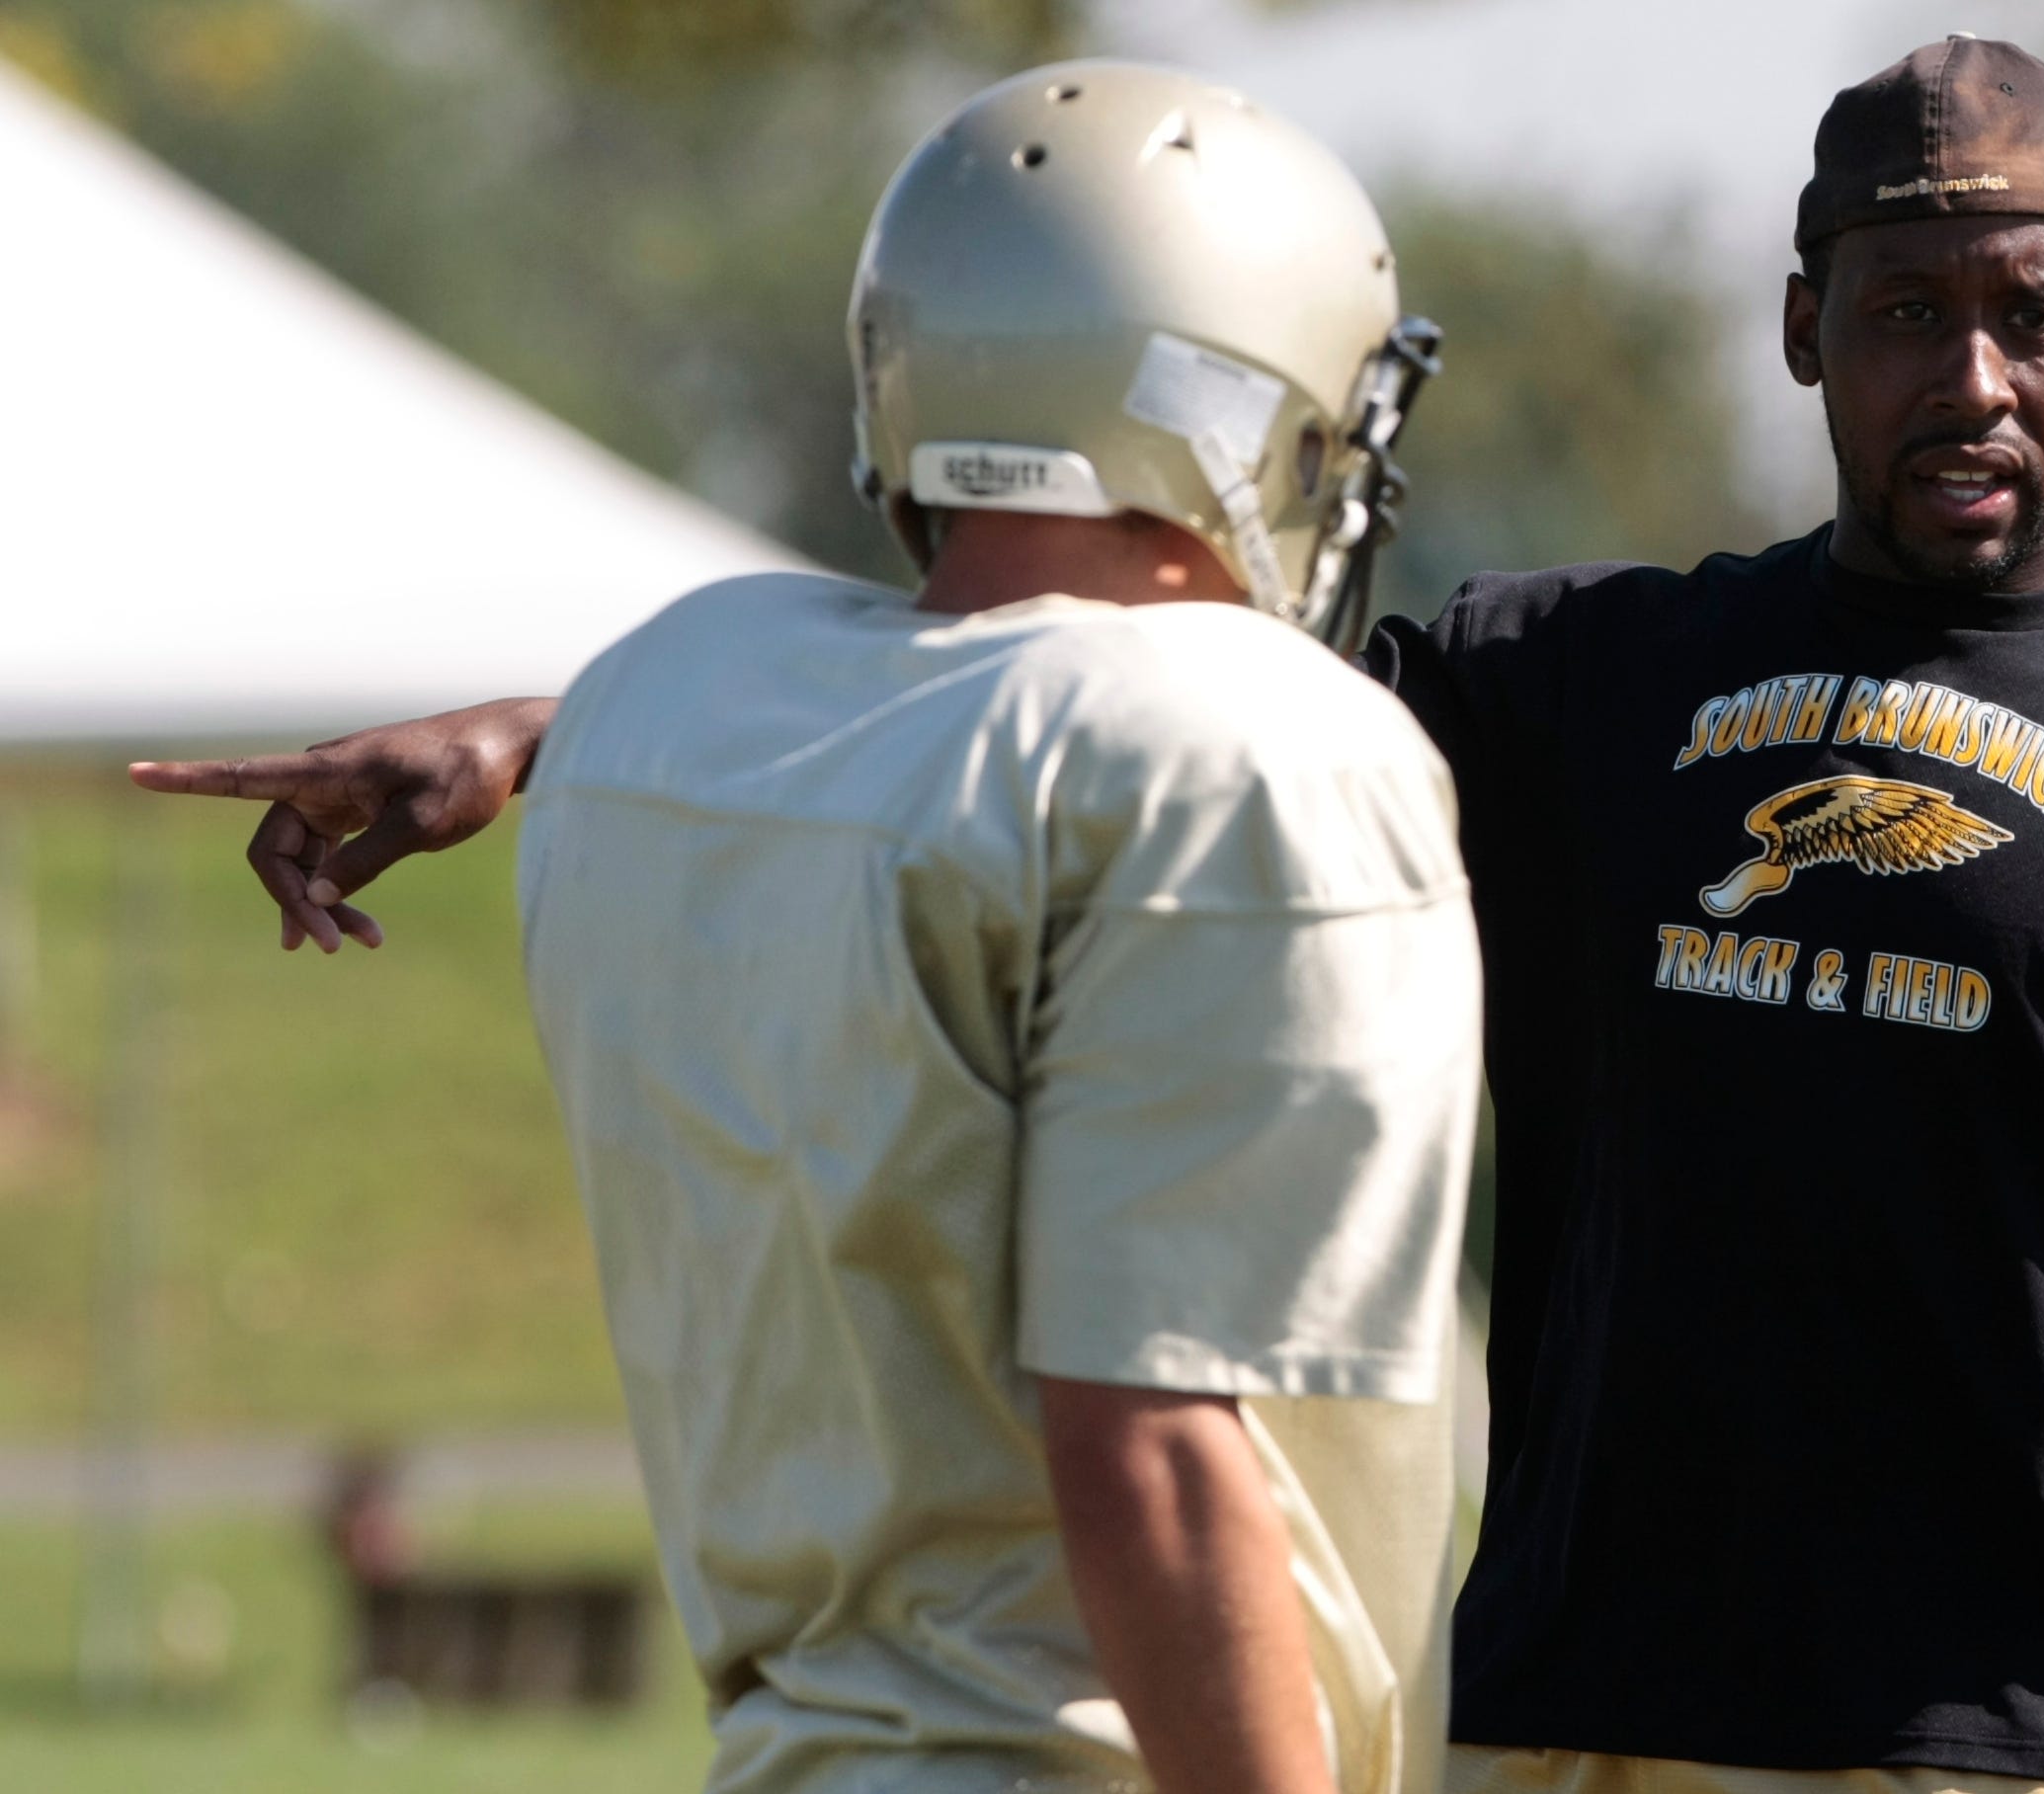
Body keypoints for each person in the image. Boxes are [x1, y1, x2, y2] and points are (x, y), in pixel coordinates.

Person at [139, 40, 2044, 1794]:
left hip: (2008, 1724)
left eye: (2031, 315)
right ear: (1805, 327)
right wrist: (533, 734)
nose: (1977, 377)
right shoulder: (1583, 674)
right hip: (1567, 1708)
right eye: (1908, 312)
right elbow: (1066, 664)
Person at [153, 61, 1484, 1794]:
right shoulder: (1247, 747)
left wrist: (533, 733)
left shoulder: (668, 704)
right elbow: (1153, 1452)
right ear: (1244, 410)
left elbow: (865, 721)